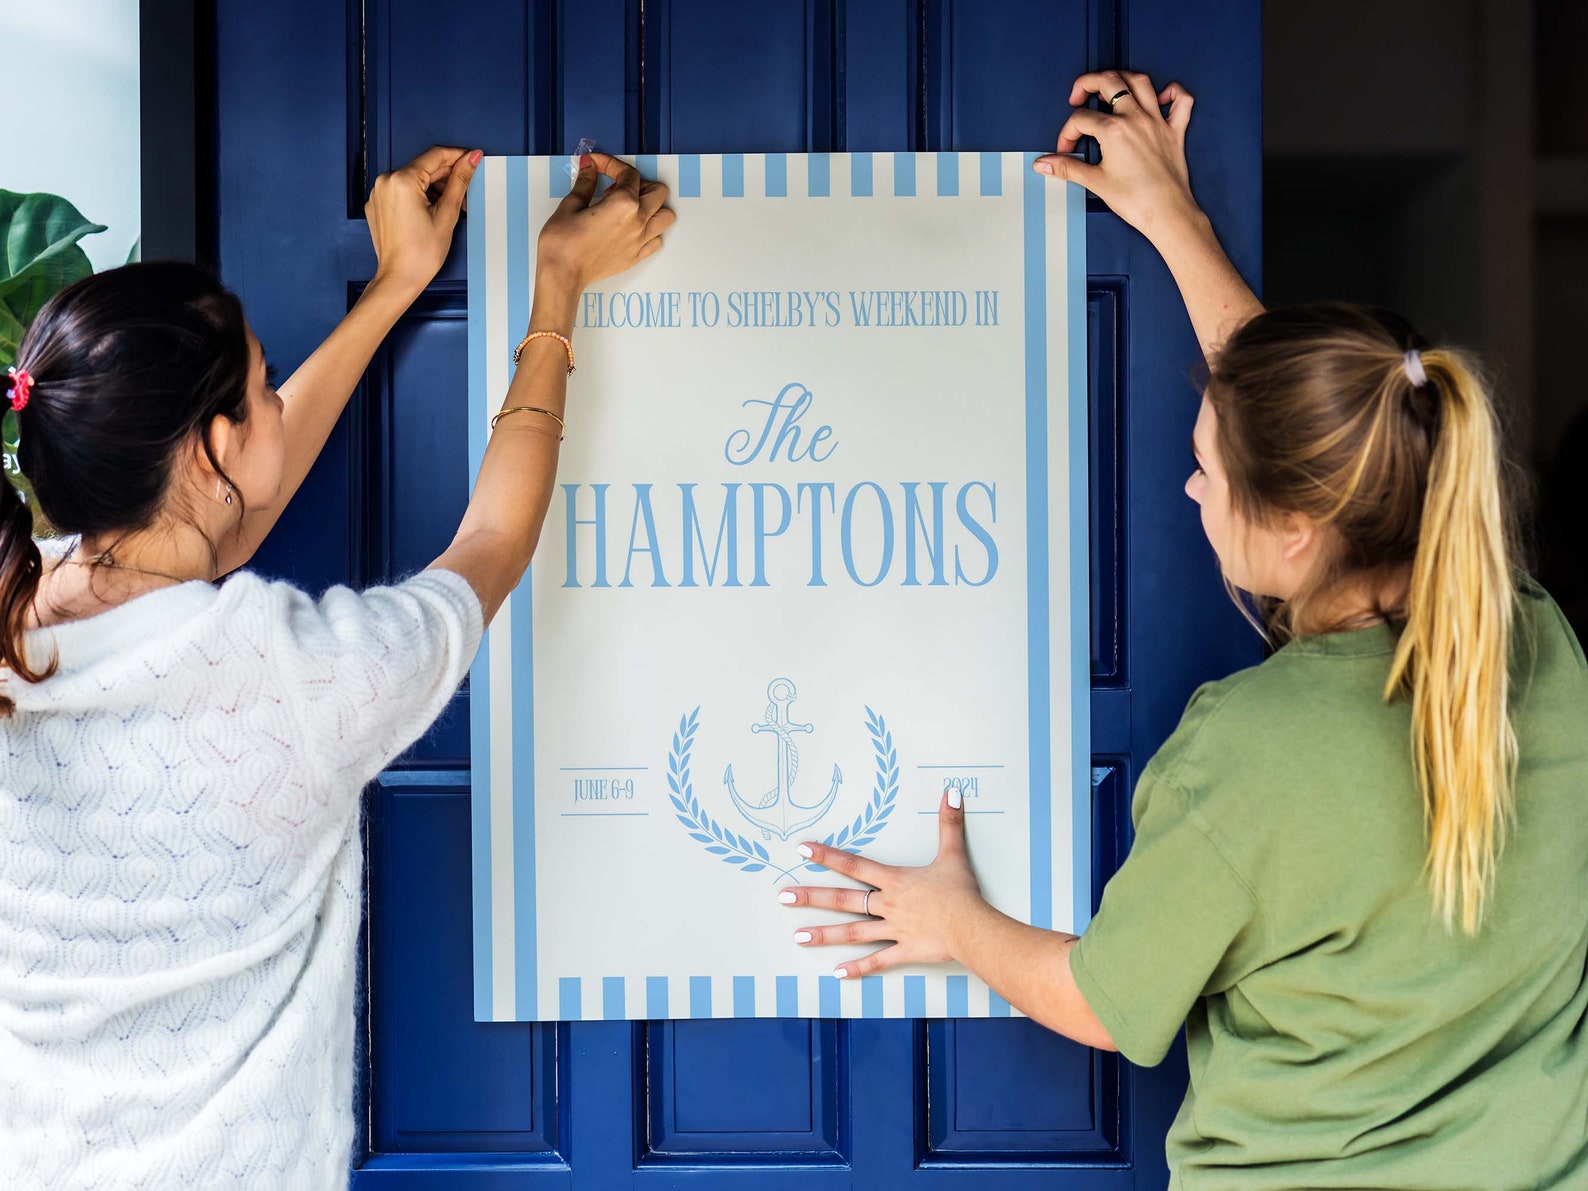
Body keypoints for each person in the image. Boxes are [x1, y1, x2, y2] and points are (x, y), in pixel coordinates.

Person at [782, 70, 1588, 1188]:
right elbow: (1317, 440)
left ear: (1298, 532)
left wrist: (952, 918)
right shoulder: (1542, 647)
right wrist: (1173, 219)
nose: (1189, 489)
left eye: (1208, 471)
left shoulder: (1252, 749)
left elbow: (1108, 1002)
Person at [0, 146, 670, 1188]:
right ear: (210, 450)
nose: (277, 398)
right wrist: (558, 293)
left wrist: (399, 281)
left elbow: (223, 515)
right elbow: (489, 546)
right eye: (265, 386)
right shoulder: (291, 678)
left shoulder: (15, 617)